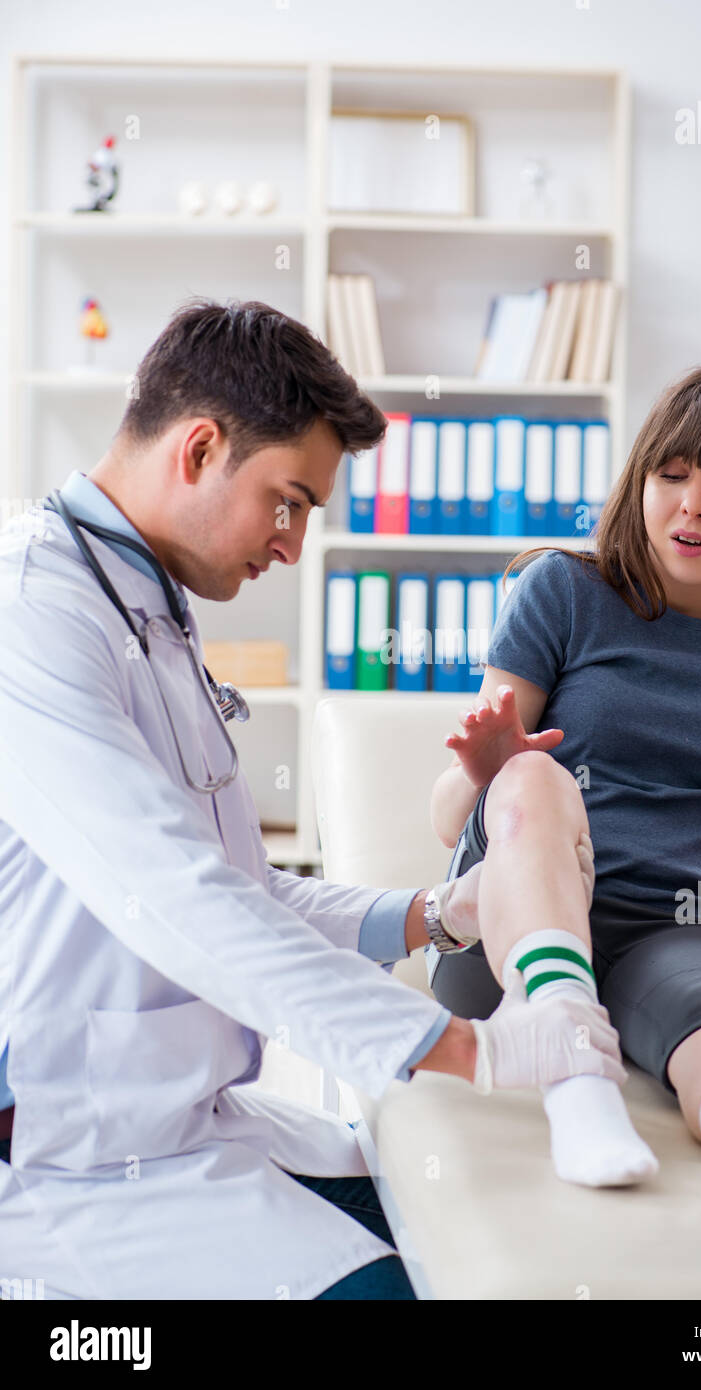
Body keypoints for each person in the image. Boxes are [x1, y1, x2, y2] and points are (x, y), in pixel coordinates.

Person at [0, 298, 627, 1301]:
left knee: (444, 1214)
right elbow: (180, 897)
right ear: (199, 446)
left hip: (180, 1109)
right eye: (287, 500)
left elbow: (246, 886)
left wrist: (435, 916)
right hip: (73, 1155)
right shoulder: (32, 610)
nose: (292, 544)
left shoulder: (152, 607)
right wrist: (466, 1047)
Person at [429, 363, 701, 1212]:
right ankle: (571, 1063)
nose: (691, 504)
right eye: (671, 476)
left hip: (669, 924)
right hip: (506, 926)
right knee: (534, 775)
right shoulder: (566, 593)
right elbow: (449, 819)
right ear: (642, 480)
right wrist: (487, 774)